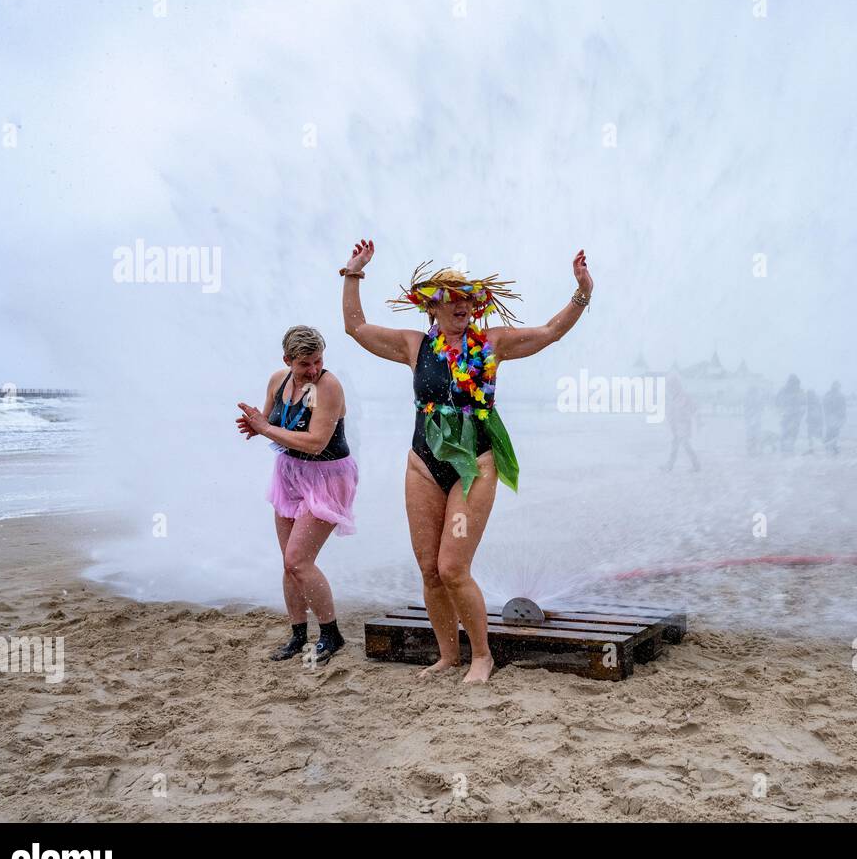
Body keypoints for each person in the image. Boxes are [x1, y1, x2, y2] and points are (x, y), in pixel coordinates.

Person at [339, 239, 593, 683]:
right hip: (423, 464)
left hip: (473, 466)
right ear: (433, 307)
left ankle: (481, 656)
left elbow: (550, 332)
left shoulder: (491, 344)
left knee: (452, 568)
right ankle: (447, 656)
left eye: (470, 300)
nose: (464, 306)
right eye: (454, 300)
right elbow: (355, 328)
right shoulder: (412, 346)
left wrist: (582, 291)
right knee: (428, 570)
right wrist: (353, 273)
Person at [236, 326, 357, 664]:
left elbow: (317, 443)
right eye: (305, 364)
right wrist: (257, 426)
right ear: (287, 360)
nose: (313, 370)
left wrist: (267, 428)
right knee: (288, 565)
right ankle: (298, 635)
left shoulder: (328, 386)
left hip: (328, 476)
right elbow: (272, 424)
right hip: (288, 473)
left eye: (318, 361)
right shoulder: (277, 379)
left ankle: (332, 635)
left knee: (298, 560)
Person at [663, 369, 700, 472]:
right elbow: (671, 412)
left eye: (671, 385)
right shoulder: (674, 397)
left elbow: (694, 408)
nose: (669, 388)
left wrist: (686, 415)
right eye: (668, 386)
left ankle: (671, 465)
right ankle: (671, 465)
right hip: (676, 426)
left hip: (683, 426)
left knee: (684, 445)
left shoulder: (684, 396)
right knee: (679, 445)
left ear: (676, 385)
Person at [775, 374, 805, 455]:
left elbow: (803, 403)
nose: (794, 385)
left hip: (791, 415)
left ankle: (787, 447)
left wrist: (800, 412)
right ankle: (787, 447)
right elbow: (777, 401)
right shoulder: (786, 390)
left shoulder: (798, 391)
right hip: (789, 415)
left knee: (789, 432)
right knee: (788, 432)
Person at [821, 380, 847, 455]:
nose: (837, 387)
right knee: (832, 432)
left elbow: (843, 407)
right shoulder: (834, 395)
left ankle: (831, 446)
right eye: (837, 386)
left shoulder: (836, 395)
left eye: (838, 386)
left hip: (834, 416)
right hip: (832, 416)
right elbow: (825, 406)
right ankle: (830, 446)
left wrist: (843, 416)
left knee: (834, 431)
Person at [803, 388, 822, 454]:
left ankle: (812, 448)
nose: (807, 396)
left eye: (808, 394)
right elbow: (810, 411)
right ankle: (811, 448)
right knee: (811, 435)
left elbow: (816, 412)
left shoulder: (814, 401)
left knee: (812, 435)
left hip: (814, 421)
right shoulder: (811, 401)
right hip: (812, 421)